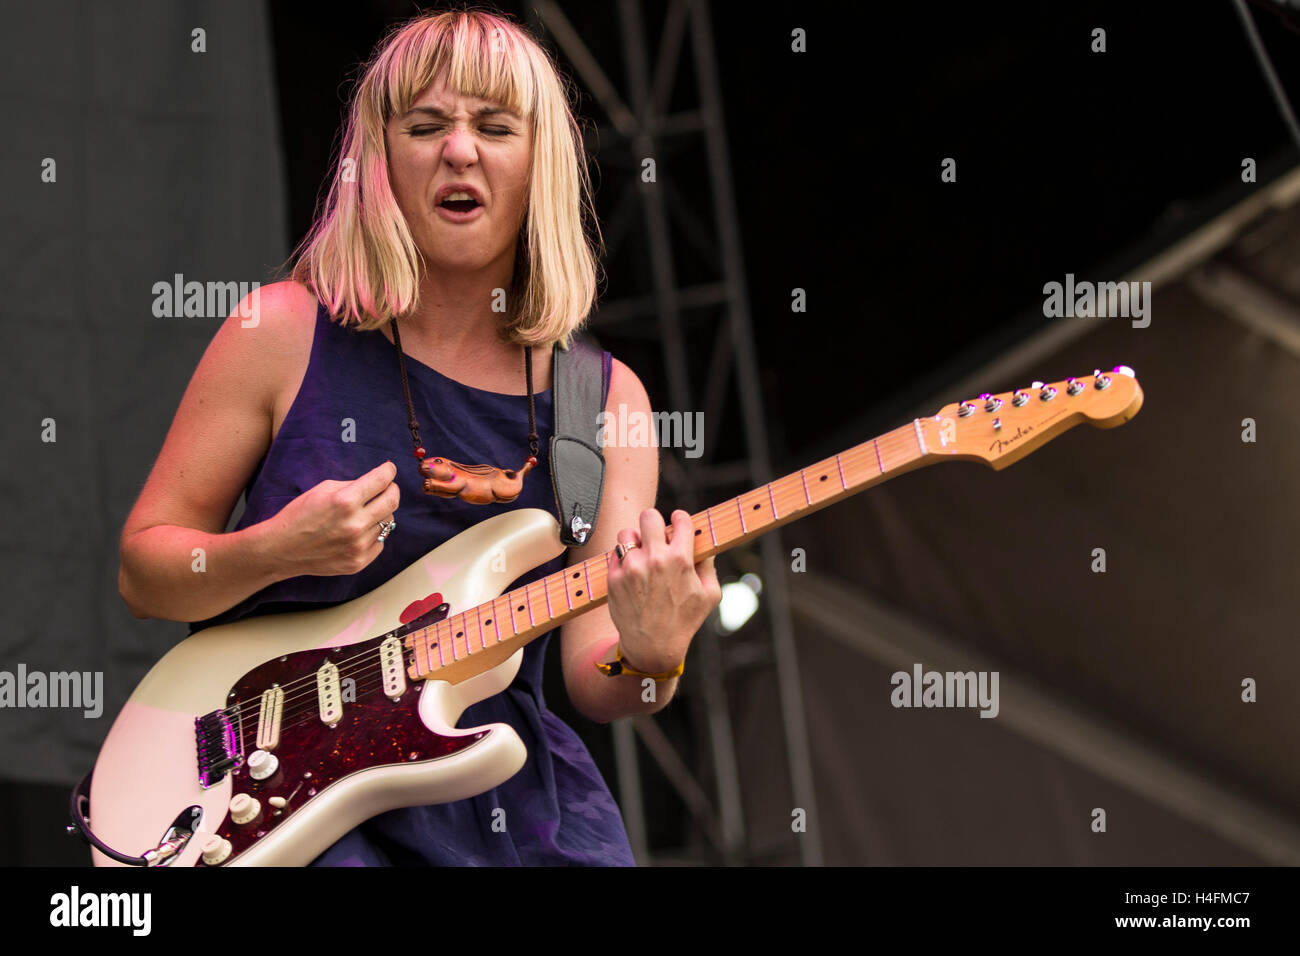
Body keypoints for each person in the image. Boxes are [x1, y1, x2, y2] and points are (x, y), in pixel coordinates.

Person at [115, 9, 721, 866]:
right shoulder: (282, 331)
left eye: (496, 127)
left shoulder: (605, 399)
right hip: (282, 789)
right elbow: (145, 573)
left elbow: (598, 675)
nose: (459, 150)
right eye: (426, 125)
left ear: (538, 165)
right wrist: (277, 551)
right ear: (379, 161)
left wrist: (654, 658)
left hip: (511, 804)